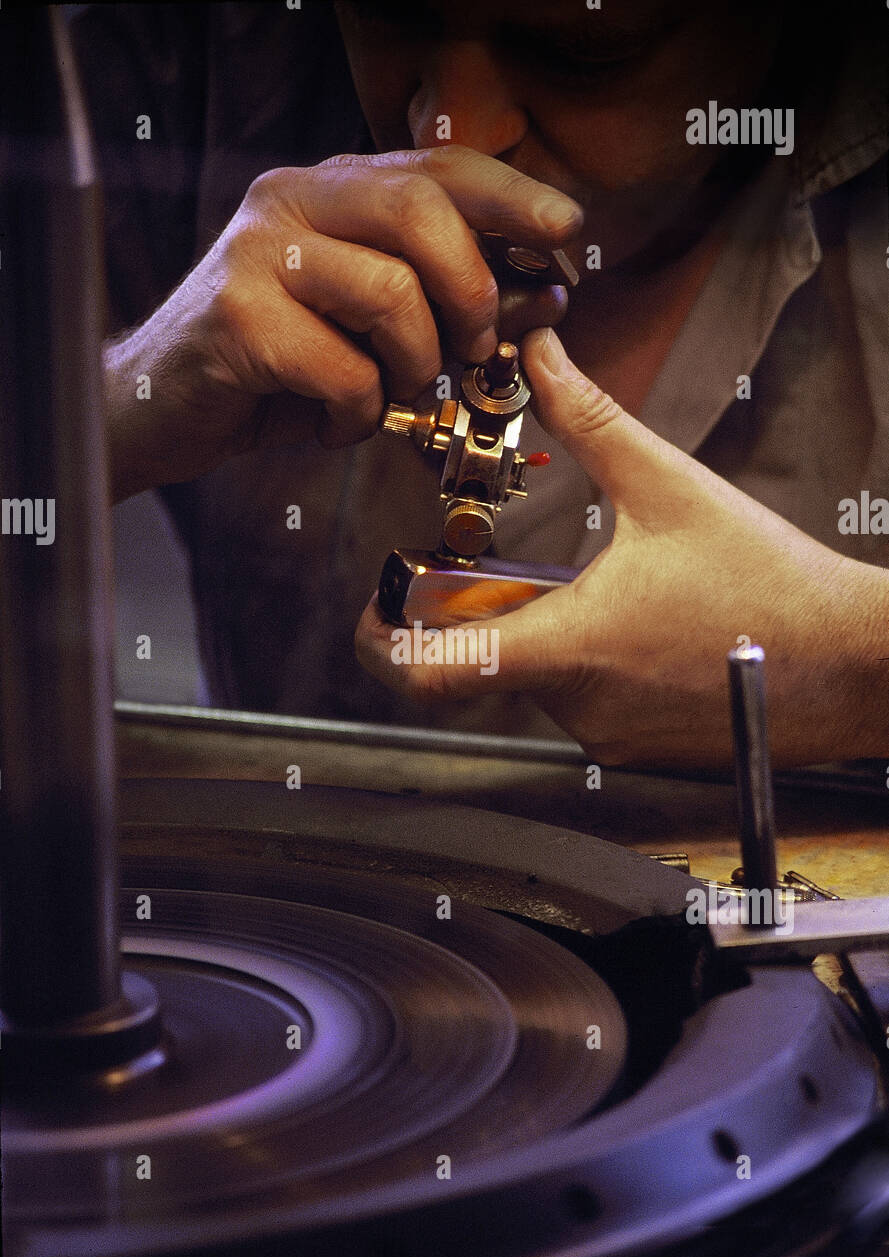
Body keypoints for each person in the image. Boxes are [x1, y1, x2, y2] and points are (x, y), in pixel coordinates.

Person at [72, 0, 888, 767]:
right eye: (392, 16)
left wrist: (859, 665)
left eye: (581, 50)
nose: (447, 129)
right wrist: (118, 401)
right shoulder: (192, 61)